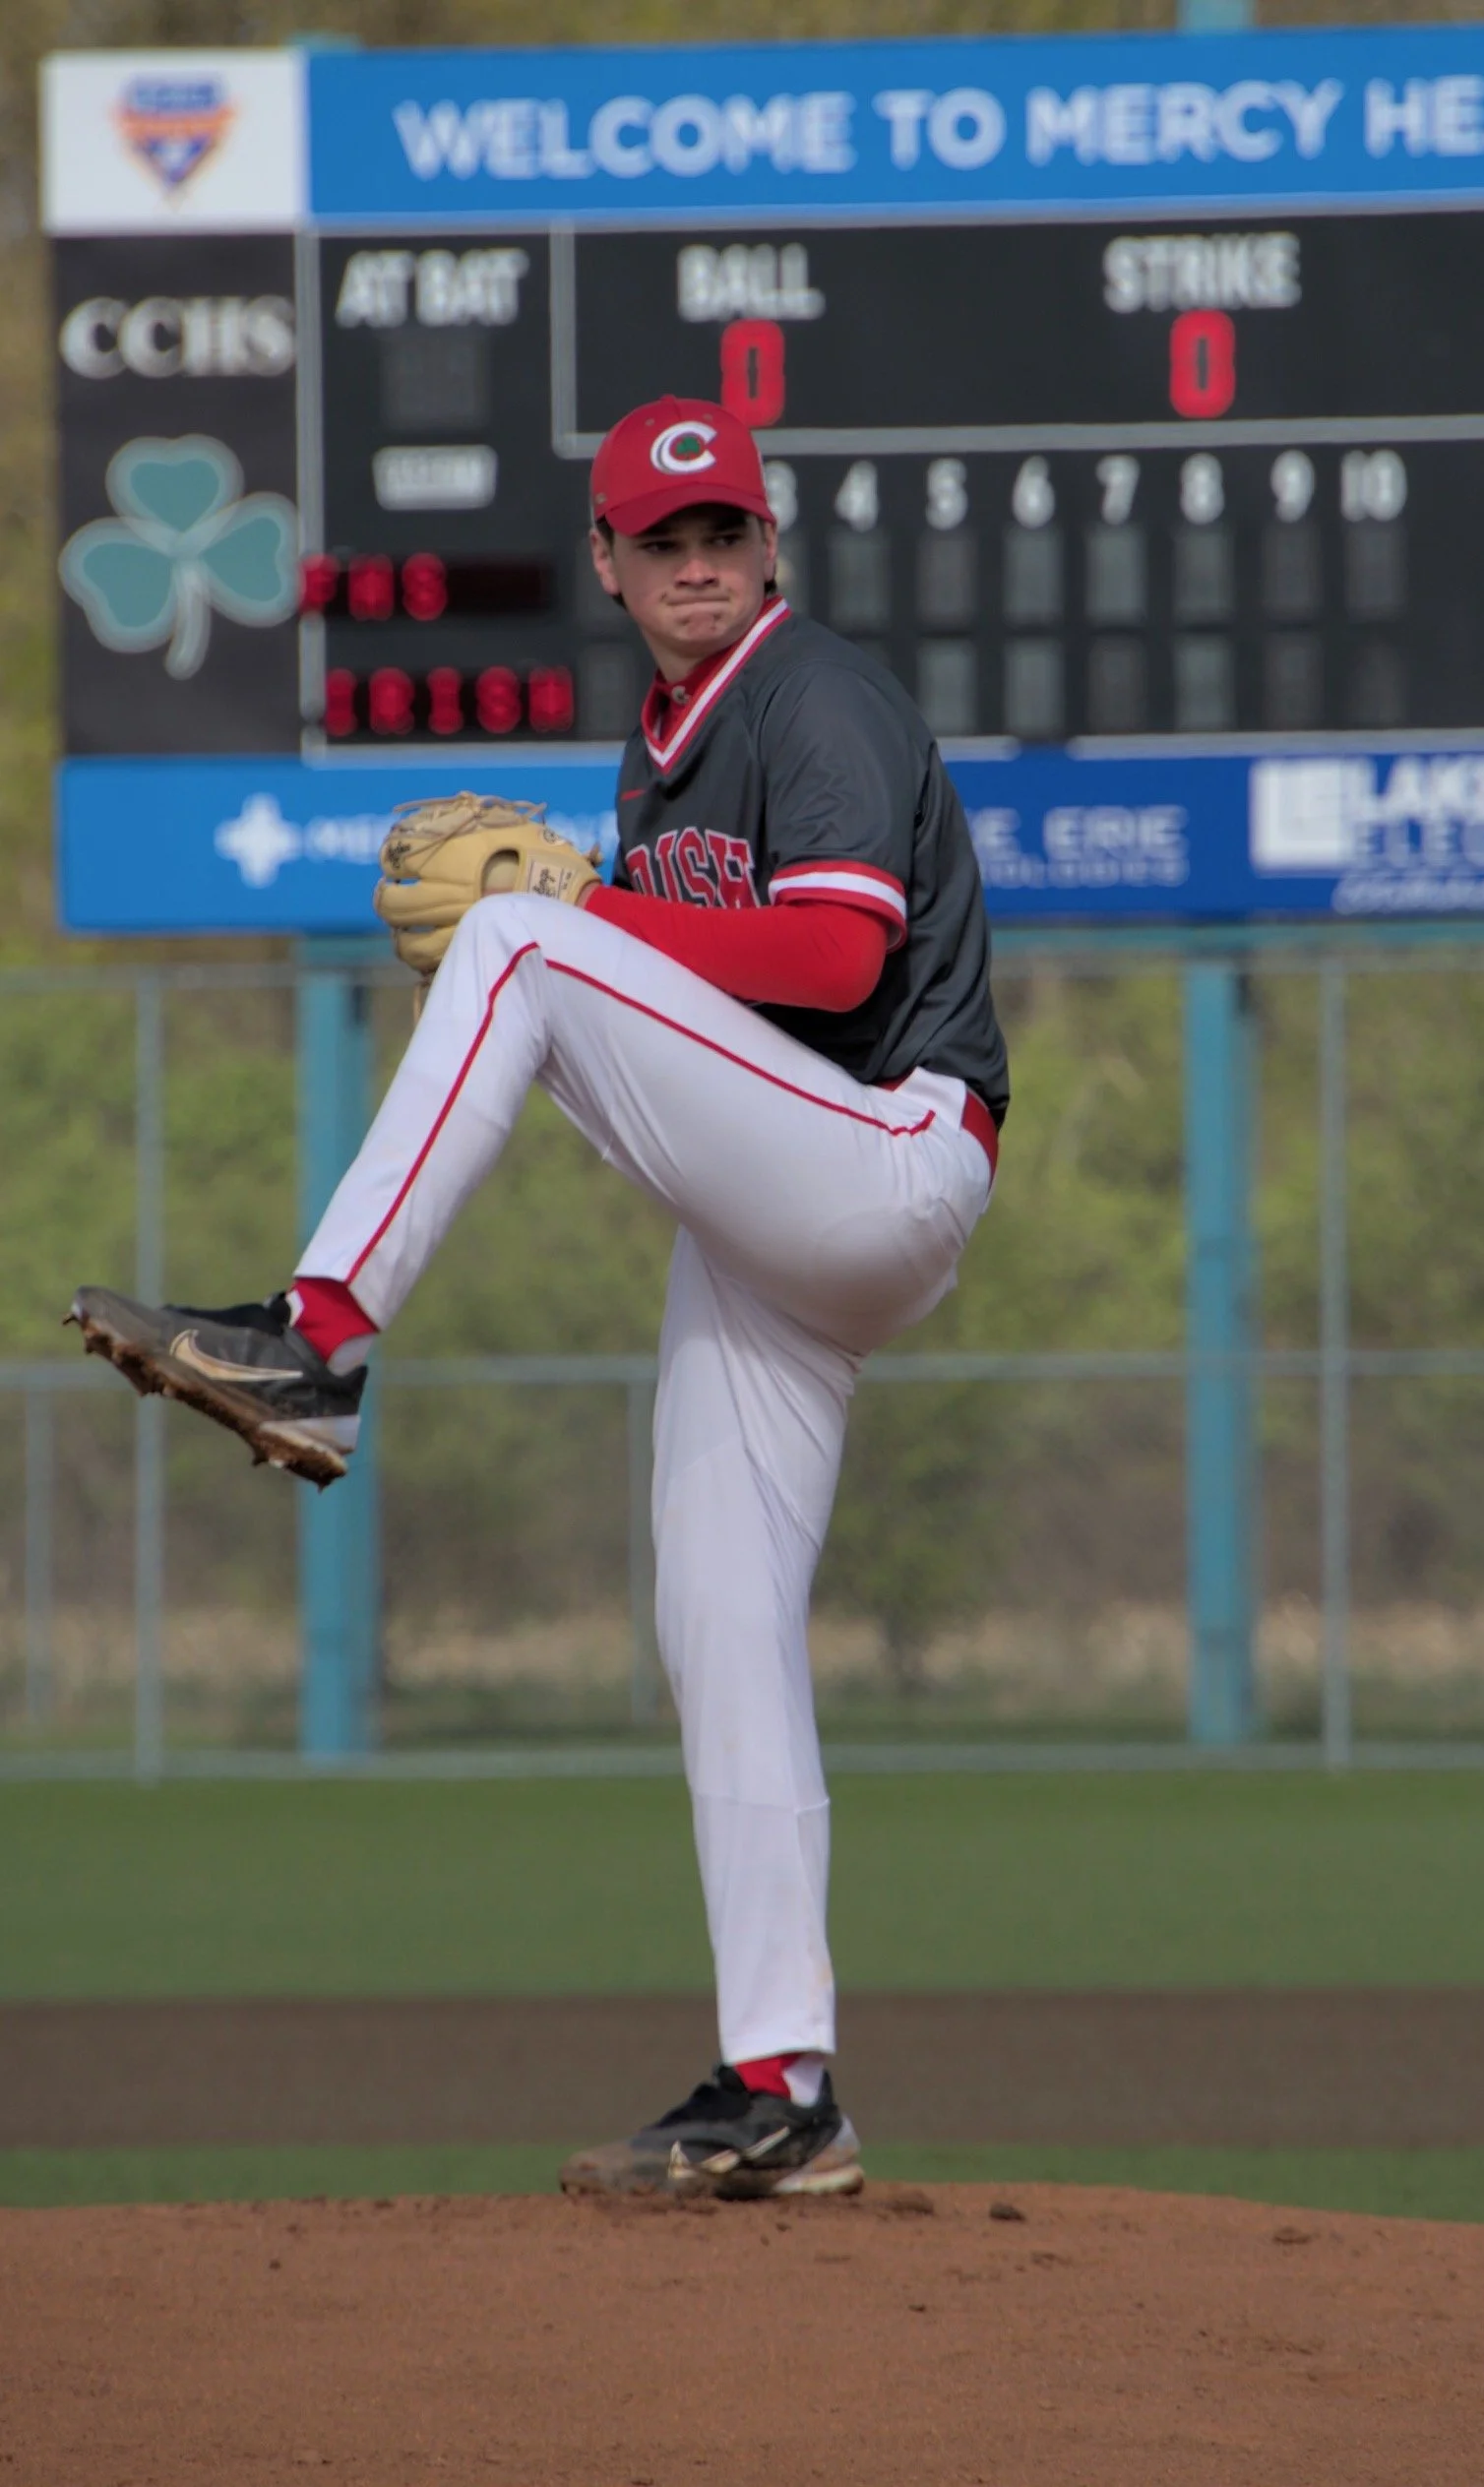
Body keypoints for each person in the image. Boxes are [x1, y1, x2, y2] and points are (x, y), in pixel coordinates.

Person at [70, 395, 1009, 2201]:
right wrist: (595, 930)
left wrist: (580, 916)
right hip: (782, 1207)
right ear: (607, 561)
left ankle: (318, 1336)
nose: (698, 563)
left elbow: (831, 951)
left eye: (723, 531)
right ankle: (778, 2085)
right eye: (662, 542)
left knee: (514, 936)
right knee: (717, 1615)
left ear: (769, 545)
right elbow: (688, 1018)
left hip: (889, 1149)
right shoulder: (654, 753)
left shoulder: (811, 696)